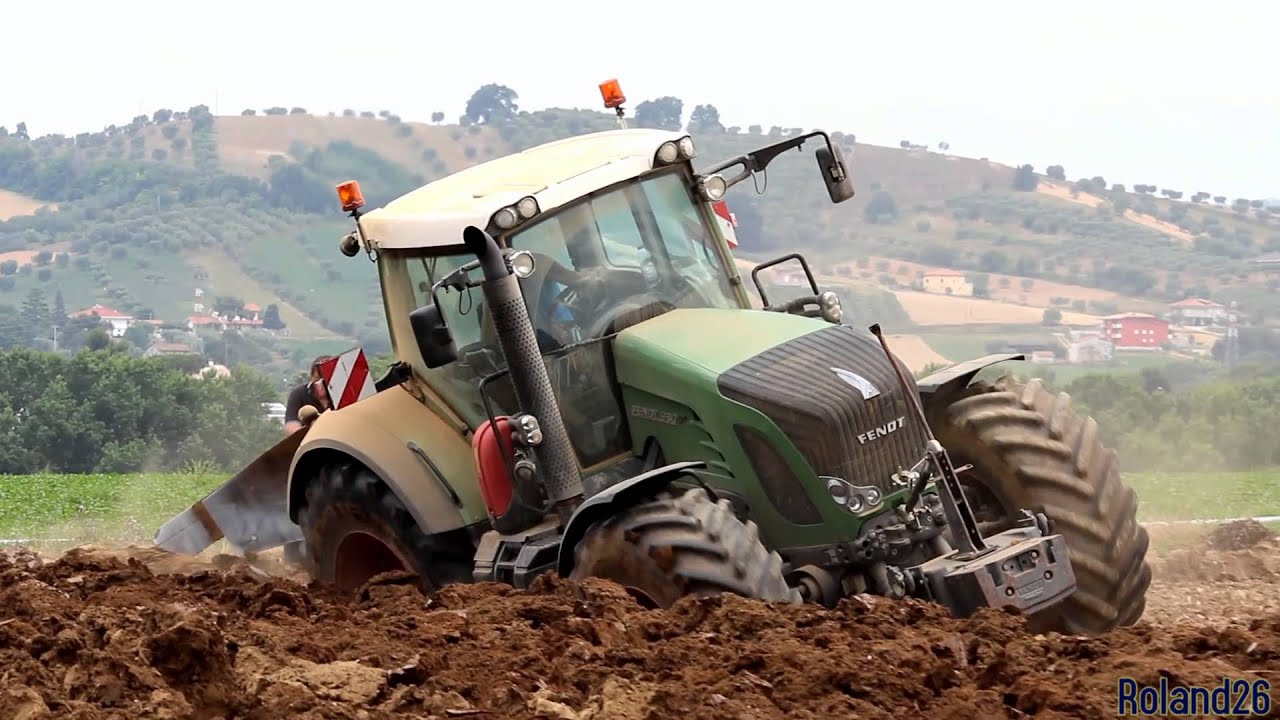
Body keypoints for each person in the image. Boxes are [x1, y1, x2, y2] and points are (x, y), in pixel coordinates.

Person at [284, 355, 334, 434]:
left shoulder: (345, 396)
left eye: (326, 380)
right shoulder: (298, 394)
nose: (321, 385)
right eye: (318, 379)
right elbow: (291, 425)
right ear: (312, 376)